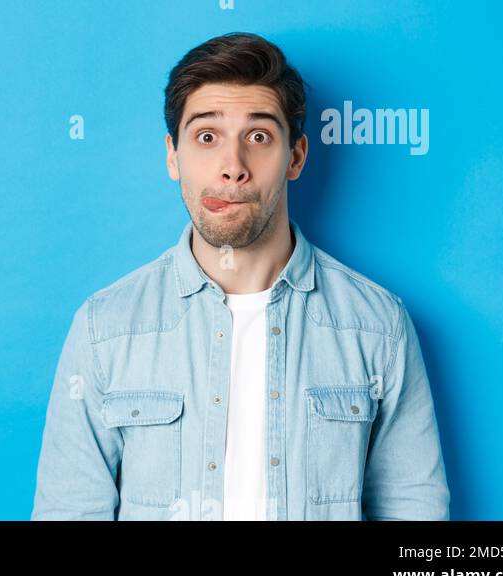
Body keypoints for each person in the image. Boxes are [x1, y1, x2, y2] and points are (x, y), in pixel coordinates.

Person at [31, 32, 450, 521]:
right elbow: (68, 511)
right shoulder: (105, 328)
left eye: (258, 137)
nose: (232, 168)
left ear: (295, 157)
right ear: (173, 155)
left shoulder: (378, 326)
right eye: (207, 137)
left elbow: (414, 515)